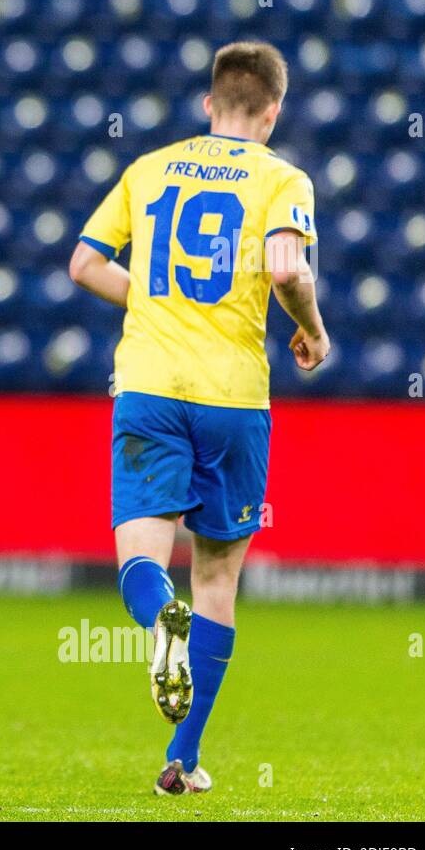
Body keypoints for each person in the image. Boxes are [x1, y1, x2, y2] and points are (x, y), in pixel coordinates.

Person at [68, 41, 329, 795]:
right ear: (273, 112)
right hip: (234, 396)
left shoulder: (148, 169)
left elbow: (83, 263)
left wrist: (150, 301)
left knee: (141, 563)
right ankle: (181, 759)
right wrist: (313, 328)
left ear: (208, 102)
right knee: (217, 577)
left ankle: (160, 620)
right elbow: (286, 267)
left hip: (149, 386)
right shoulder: (282, 178)